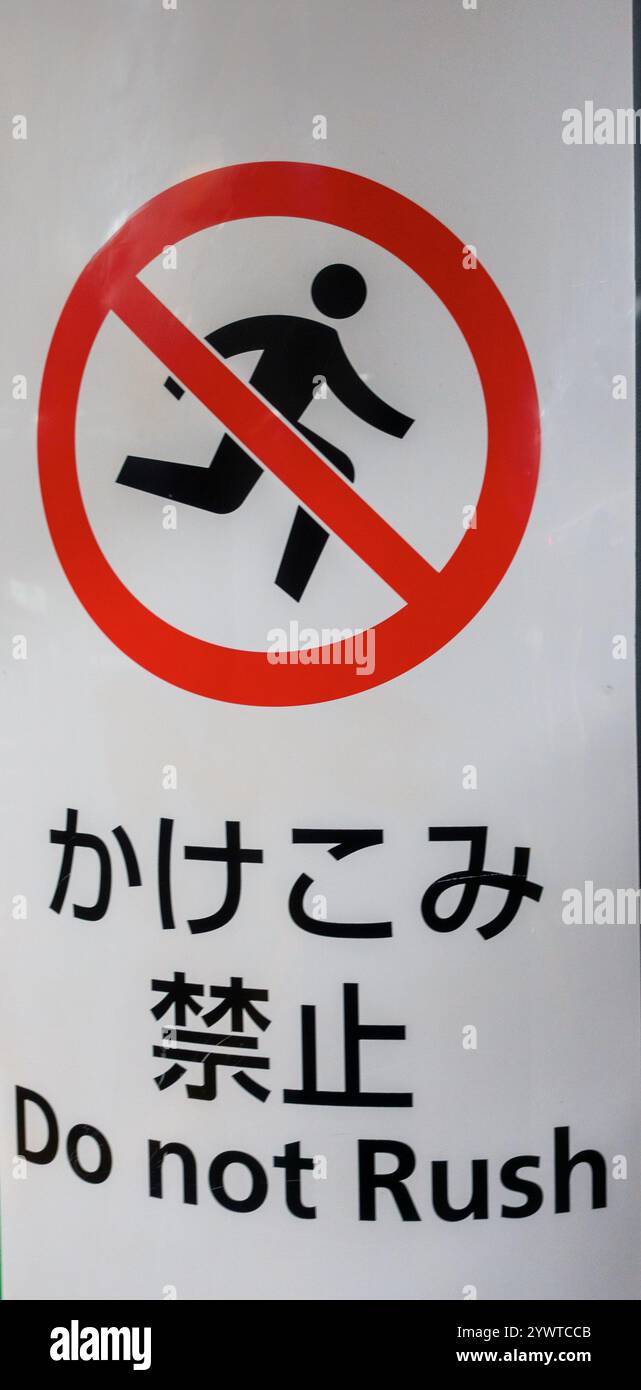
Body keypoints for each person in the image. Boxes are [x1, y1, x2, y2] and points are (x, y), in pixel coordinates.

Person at [118, 263, 413, 600]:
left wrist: (405, 428)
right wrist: (175, 383)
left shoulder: (317, 340)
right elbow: (227, 341)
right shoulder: (309, 336)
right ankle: (288, 586)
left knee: (229, 491)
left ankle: (289, 586)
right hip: (253, 422)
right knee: (229, 492)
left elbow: (360, 401)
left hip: (269, 429)